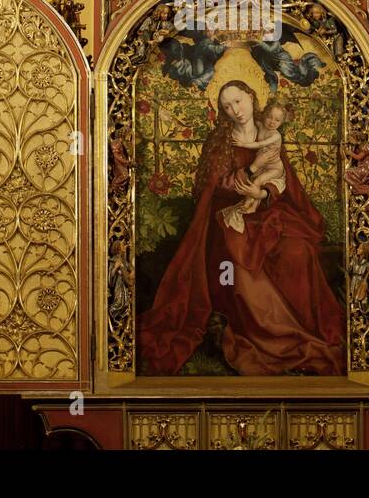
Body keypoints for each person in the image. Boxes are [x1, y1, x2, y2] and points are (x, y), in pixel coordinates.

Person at [139, 81, 345, 376]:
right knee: (239, 258)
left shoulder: (269, 133)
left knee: (297, 251)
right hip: (228, 217)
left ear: (251, 97)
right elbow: (215, 187)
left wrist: (264, 194)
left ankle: (305, 327)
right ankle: (268, 333)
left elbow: (282, 178)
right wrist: (250, 170)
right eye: (227, 106)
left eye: (238, 101)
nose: (235, 110)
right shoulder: (220, 140)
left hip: (267, 212)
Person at [219, 100, 287, 233]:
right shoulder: (261, 126)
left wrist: (243, 144)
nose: (272, 122)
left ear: (281, 123)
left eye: (277, 120)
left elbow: (260, 145)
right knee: (255, 182)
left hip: (274, 168)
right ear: (264, 116)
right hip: (262, 166)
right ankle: (248, 203)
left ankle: (251, 205)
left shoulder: (275, 135)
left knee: (257, 182)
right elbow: (249, 120)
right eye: (269, 117)